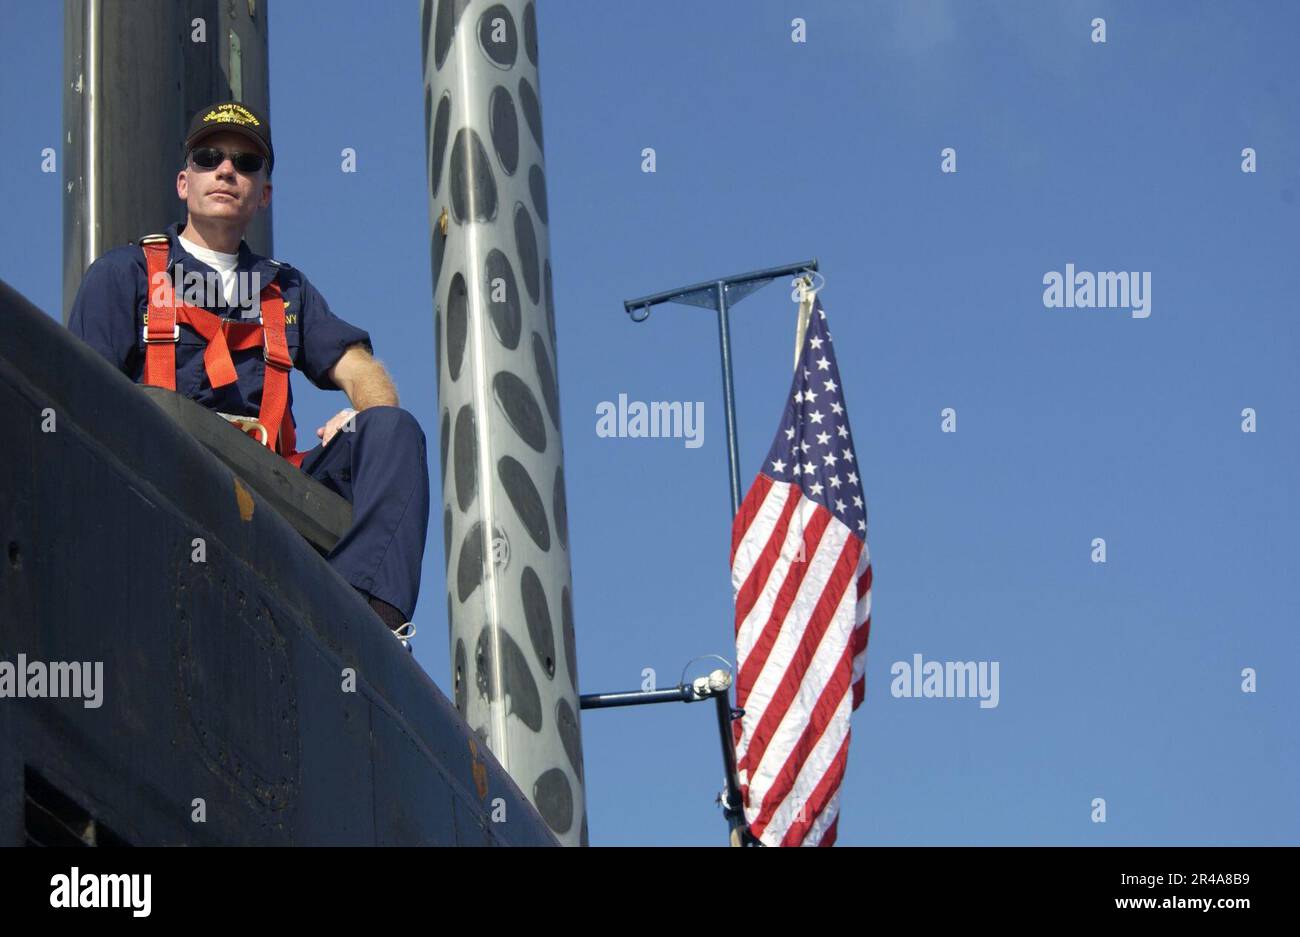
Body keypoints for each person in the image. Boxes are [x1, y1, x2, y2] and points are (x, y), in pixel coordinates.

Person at [67, 100, 429, 649]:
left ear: (264, 194)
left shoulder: (287, 291)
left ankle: (367, 628)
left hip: (272, 490)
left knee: (393, 430)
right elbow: (84, 401)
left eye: (246, 162)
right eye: (210, 157)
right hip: (168, 475)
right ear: (184, 182)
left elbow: (360, 368)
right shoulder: (125, 275)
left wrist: (364, 409)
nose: (227, 170)